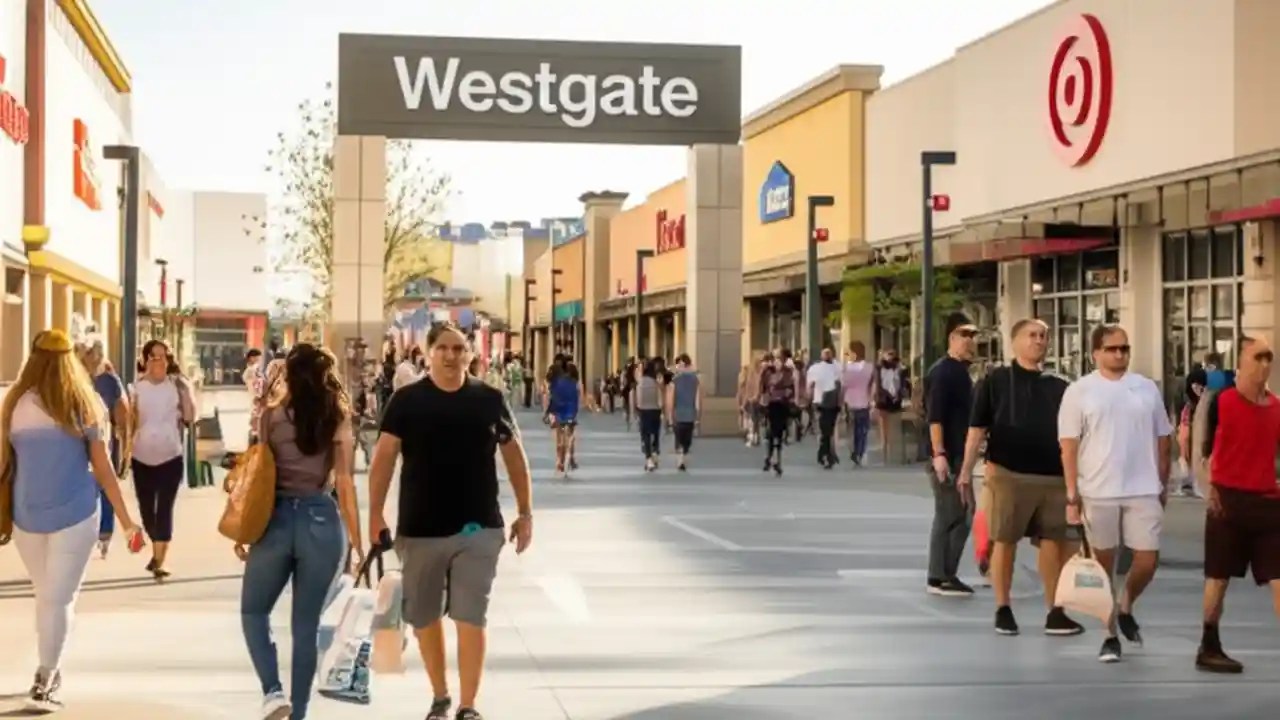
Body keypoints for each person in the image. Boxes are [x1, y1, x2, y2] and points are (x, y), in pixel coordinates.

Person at [367, 322, 533, 720]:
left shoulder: (489, 399)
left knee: (470, 614)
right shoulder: (406, 401)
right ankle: (440, 694)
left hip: (479, 528)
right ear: (428, 353)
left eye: (458, 348)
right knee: (423, 616)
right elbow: (385, 457)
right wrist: (375, 513)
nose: (450, 355)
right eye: (442, 348)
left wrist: (525, 512)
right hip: (420, 529)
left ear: (470, 354)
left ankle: (468, 705)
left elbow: (513, 455)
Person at [0, 330, 144, 713]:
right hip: (76, 515)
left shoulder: (14, 402)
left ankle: (47, 671)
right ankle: (47, 677)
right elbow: (103, 468)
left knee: (48, 595)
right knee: (57, 598)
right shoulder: (83, 403)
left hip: (25, 517)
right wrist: (128, 522)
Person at [240, 344, 363, 720]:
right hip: (320, 520)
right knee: (305, 627)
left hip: (275, 519)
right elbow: (344, 483)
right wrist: (357, 544)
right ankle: (300, 714)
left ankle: (273, 692)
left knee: (253, 611)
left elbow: (257, 476)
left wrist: (246, 526)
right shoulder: (336, 416)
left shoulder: (270, 416)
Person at [958, 318, 1083, 637]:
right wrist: (965, 471)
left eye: (1044, 336)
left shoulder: (1061, 385)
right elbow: (977, 429)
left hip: (1053, 477)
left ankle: (1056, 610)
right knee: (1005, 540)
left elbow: (1075, 435)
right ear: (1014, 342)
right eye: (1032, 335)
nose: (1039, 341)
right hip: (1008, 473)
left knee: (1057, 543)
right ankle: (1003, 607)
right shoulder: (995, 380)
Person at [1058, 324, 1171, 663]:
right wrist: (1072, 494)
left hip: (1143, 488)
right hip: (1098, 489)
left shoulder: (1146, 388)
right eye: (1112, 349)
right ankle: (1109, 635)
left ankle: (1126, 606)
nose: (1120, 354)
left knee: (1147, 560)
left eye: (1124, 348)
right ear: (1096, 353)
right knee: (1103, 567)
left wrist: (1162, 481)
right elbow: (1068, 446)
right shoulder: (1080, 391)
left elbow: (1163, 437)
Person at [1195, 334, 1280, 674]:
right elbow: (1199, 451)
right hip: (1227, 502)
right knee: (1218, 579)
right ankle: (1209, 644)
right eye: (1257, 357)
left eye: (1268, 358)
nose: (1264, 365)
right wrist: (1209, 492)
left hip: (1267, 504)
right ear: (1241, 362)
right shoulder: (1220, 402)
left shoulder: (1276, 407)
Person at [129, 339, 196, 580]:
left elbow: (190, 417)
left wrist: (187, 393)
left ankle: (159, 560)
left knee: (164, 507)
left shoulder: (176, 386)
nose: (158, 361)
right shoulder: (136, 388)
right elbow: (128, 423)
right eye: (153, 356)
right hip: (141, 456)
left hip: (171, 455)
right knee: (147, 510)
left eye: (162, 356)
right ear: (144, 360)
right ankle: (156, 545)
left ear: (169, 360)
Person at [922, 313, 978, 597]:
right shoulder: (943, 372)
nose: (970, 340)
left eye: (972, 335)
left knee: (964, 512)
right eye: (963, 334)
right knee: (950, 512)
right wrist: (938, 453)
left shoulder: (960, 372)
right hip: (948, 454)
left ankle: (945, 573)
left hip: (959, 454)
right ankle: (939, 575)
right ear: (951, 338)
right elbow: (935, 417)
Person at [76, 335, 132, 558]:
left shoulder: (108, 380)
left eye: (90, 353)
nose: (88, 358)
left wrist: (125, 445)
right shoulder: (76, 379)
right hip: (80, 443)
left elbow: (123, 414)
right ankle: (91, 533)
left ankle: (104, 534)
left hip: (103, 441)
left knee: (105, 487)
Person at [760, 349, 798, 476]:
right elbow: (763, 388)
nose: (777, 361)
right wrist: (763, 399)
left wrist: (790, 396)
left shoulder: (788, 372)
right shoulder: (767, 372)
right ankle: (769, 457)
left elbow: (790, 388)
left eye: (780, 358)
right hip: (771, 405)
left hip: (782, 405)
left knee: (779, 435)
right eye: (775, 358)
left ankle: (777, 461)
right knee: (771, 433)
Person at [806, 348, 843, 469]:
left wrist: (840, 402)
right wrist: (809, 400)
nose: (827, 356)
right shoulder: (815, 368)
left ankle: (825, 453)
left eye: (829, 354)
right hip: (820, 403)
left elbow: (840, 386)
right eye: (825, 354)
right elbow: (810, 386)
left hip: (830, 403)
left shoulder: (837, 367)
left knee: (827, 430)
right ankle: (826, 454)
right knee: (824, 430)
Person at [872, 349, 911, 460]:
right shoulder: (879, 368)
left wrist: (899, 396)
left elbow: (904, 384)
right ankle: (884, 450)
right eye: (888, 354)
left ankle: (893, 450)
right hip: (883, 400)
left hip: (896, 401)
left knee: (895, 426)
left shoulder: (900, 368)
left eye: (892, 354)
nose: (890, 357)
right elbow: (878, 385)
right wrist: (887, 395)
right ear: (883, 356)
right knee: (884, 427)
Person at [1175, 368, 1208, 498]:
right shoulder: (1188, 405)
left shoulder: (1208, 401)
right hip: (1189, 435)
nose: (1197, 389)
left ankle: (1194, 480)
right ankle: (1188, 479)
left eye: (1200, 385)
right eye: (1194, 386)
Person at [667, 354, 703, 471]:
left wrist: (670, 416)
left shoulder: (674, 381)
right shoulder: (695, 380)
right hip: (690, 415)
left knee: (679, 438)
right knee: (687, 439)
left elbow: (670, 400)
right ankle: (683, 456)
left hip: (678, 415)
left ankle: (680, 458)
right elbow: (698, 400)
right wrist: (698, 417)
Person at [841, 341, 874, 465]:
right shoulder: (869, 367)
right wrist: (872, 399)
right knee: (862, 429)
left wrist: (840, 400)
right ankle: (860, 451)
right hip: (864, 401)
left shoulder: (846, 368)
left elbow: (843, 386)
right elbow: (872, 386)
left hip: (849, 402)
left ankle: (854, 450)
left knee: (851, 429)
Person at [547, 361, 582, 476]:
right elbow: (576, 400)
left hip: (559, 413)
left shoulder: (558, 383)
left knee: (559, 438)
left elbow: (553, 399)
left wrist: (551, 411)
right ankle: (570, 457)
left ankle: (559, 461)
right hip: (570, 413)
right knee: (570, 436)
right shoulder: (573, 384)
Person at [634, 359, 664, 471]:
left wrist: (636, 411)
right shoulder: (657, 382)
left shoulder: (640, 382)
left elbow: (638, 399)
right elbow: (661, 398)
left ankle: (649, 459)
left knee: (645, 435)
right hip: (656, 410)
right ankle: (655, 451)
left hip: (644, 411)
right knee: (655, 433)